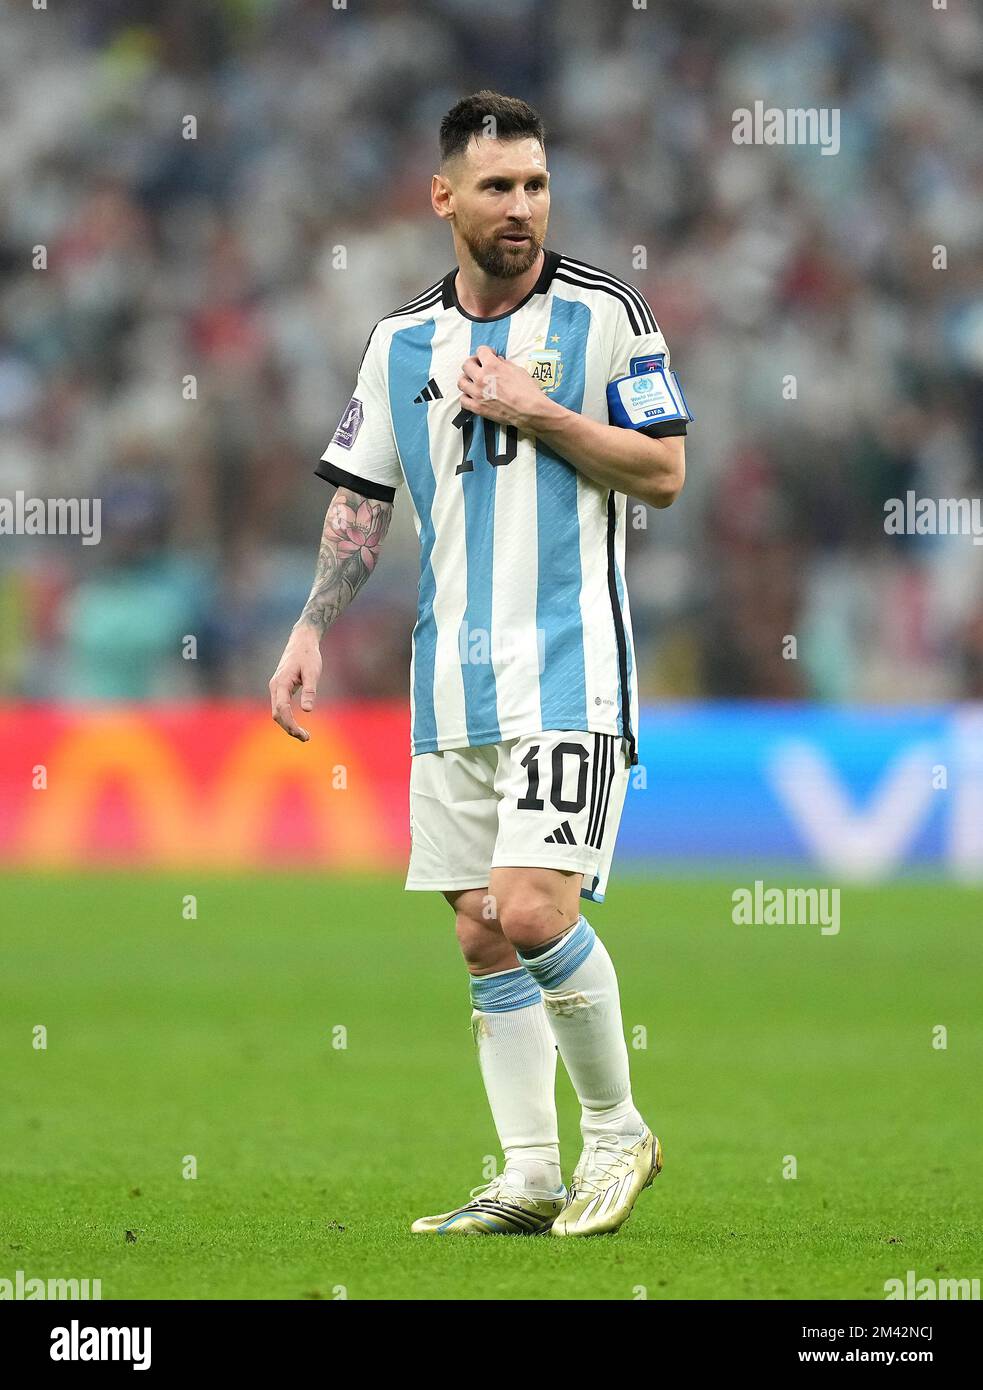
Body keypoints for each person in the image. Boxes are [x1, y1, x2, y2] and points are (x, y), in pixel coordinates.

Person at [269, 91, 689, 1236]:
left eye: (537, 184)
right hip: (449, 683)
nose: (523, 206)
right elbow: (362, 499)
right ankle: (528, 1172)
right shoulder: (400, 343)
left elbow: (661, 473)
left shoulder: (607, 316)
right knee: (478, 924)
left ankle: (618, 1132)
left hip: (568, 670)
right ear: (443, 195)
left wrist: (534, 408)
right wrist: (312, 624)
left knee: (534, 907)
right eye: (498, 186)